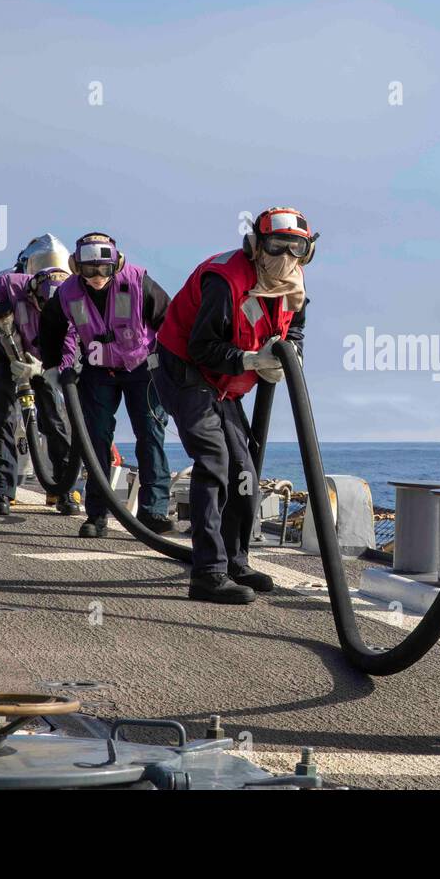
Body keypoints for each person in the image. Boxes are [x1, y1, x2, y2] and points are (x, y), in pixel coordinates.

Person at [152, 208, 310, 604]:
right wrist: (252, 361)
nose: (286, 257)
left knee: (245, 468)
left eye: (298, 248)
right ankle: (207, 573)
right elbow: (201, 347)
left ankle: (236, 560)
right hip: (185, 371)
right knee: (214, 462)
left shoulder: (293, 285)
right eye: (277, 246)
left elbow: (297, 329)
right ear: (256, 246)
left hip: (225, 384)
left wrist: (293, 356)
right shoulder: (226, 281)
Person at [39, 232, 174, 539]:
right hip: (97, 372)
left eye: (104, 269)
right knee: (96, 439)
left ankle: (153, 512)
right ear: (76, 267)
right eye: (89, 270)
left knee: (150, 435)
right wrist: (51, 367)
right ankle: (97, 515)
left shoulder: (139, 282)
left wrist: (170, 364)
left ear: (116, 265)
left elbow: (169, 319)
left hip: (142, 369)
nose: (97, 277)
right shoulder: (67, 293)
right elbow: (50, 326)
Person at [0, 234, 79, 516]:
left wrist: (40, 369)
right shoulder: (7, 284)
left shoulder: (71, 296)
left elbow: (71, 346)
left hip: (43, 357)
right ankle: (3, 493)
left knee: (54, 420)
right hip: (4, 354)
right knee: (3, 417)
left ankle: (62, 489)